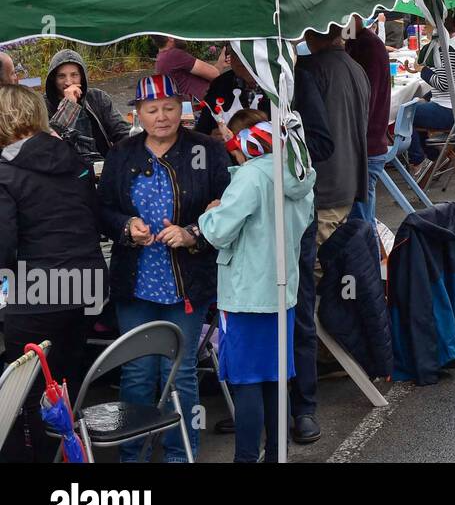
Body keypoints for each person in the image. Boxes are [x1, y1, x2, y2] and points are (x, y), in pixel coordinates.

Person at [98, 75, 230, 461]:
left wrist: (192, 233)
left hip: (186, 281)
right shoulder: (122, 153)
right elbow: (102, 209)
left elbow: (226, 205)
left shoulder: (206, 150)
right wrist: (126, 226)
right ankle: (132, 453)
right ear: (137, 113)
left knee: (180, 372)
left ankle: (180, 452)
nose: (162, 117)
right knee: (137, 372)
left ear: (182, 109)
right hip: (135, 281)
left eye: (170, 108)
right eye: (152, 109)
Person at [0, 84, 106, 462]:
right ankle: (65, 453)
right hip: (84, 285)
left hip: (36, 291)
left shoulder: (5, 169)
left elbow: (3, 245)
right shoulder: (72, 157)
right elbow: (91, 217)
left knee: (25, 394)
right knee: (63, 381)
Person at [198, 120, 316, 462]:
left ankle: (246, 457)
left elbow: (219, 232)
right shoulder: (300, 176)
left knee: (246, 382)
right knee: (277, 379)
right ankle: (278, 453)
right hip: (283, 294)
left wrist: (210, 214)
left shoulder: (250, 177)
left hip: (245, 294)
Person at [290, 24, 370, 444]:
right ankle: (326, 352)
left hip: (325, 186)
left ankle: (327, 352)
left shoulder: (313, 69)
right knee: (322, 272)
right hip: (349, 177)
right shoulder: (353, 65)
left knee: (314, 276)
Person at [406, 11, 455, 172]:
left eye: (427, 24)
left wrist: (423, 70)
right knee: (416, 107)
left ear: (435, 27)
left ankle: (419, 160)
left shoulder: (447, 48)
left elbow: (442, 84)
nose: (425, 29)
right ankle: (432, 156)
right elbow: (449, 79)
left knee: (406, 113)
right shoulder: (453, 44)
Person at [344, 16, 392, 231]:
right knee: (362, 220)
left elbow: (366, 102)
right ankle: (370, 259)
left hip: (366, 146)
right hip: (368, 144)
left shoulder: (366, 45)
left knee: (361, 224)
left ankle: (369, 261)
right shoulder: (359, 42)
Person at [43, 48, 130, 161]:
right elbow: (46, 144)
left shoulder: (97, 97)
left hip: (103, 167)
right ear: (53, 79)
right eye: (61, 76)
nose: (68, 82)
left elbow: (122, 131)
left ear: (82, 77)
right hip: (65, 171)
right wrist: (69, 106)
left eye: (74, 75)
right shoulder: (43, 105)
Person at [152, 36, 223, 110]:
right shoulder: (174, 55)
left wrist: (221, 63)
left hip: (194, 110)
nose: (184, 36)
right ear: (170, 37)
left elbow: (212, 75)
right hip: (200, 110)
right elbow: (214, 74)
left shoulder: (163, 58)